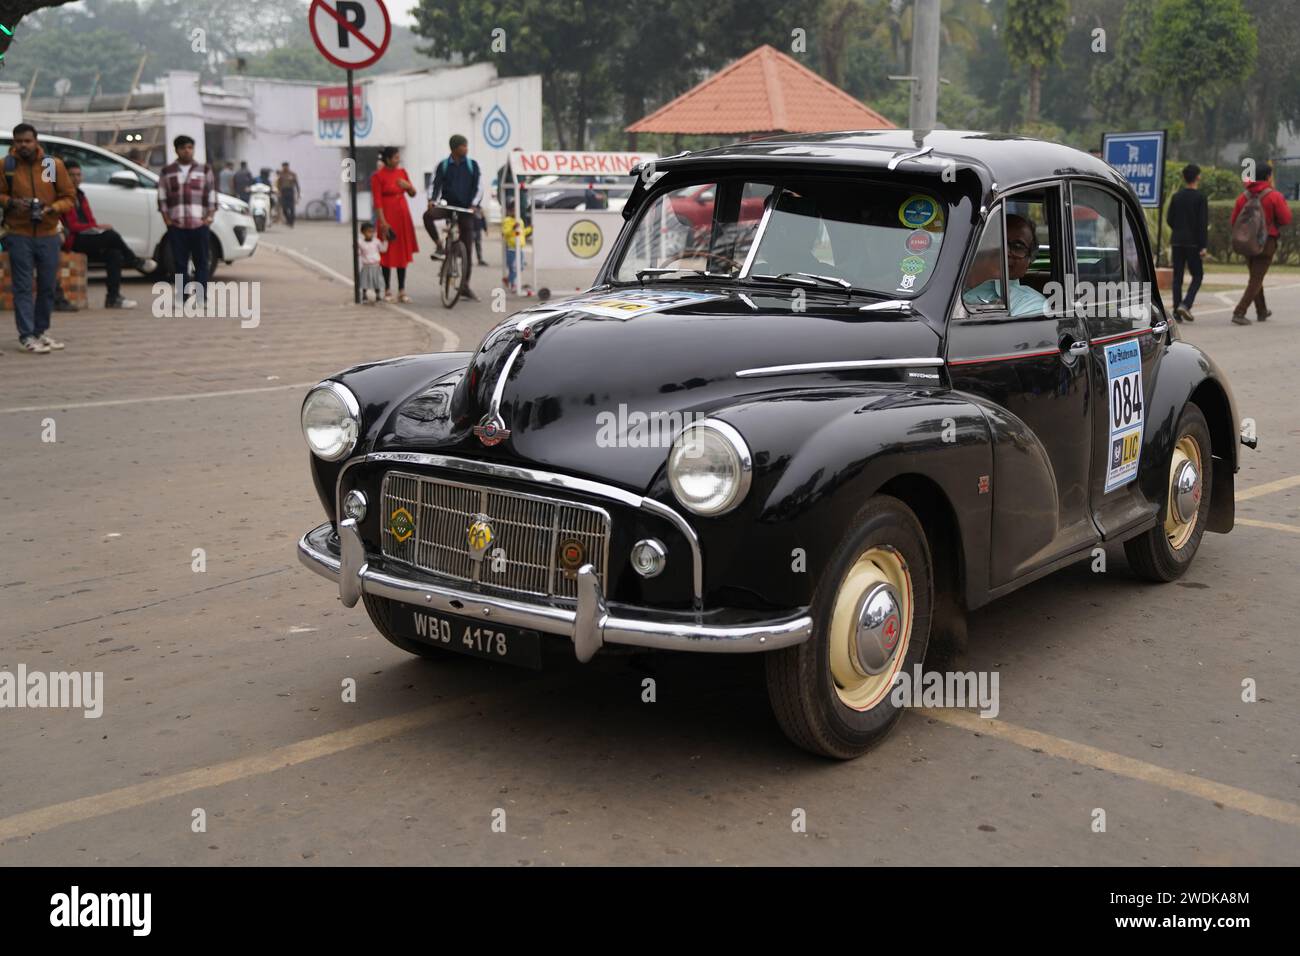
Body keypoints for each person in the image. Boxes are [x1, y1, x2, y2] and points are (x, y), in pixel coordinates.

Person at [1, 123, 76, 353]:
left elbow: (68, 196)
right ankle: (27, 335)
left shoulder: (51, 165)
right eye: (18, 141)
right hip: (18, 233)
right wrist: (11, 202)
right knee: (23, 287)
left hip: (48, 233)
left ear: (36, 141)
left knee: (47, 286)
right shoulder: (7, 166)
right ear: (14, 143)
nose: (23, 145)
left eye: (27, 141)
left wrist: (52, 209)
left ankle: (41, 331)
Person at [60, 158, 156, 309]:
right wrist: (95, 227)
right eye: (71, 175)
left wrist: (96, 227)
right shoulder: (64, 197)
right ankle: (135, 261)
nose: (76, 179)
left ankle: (113, 298)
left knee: (114, 253)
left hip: (86, 236)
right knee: (110, 235)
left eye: (78, 175)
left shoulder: (80, 195)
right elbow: (72, 226)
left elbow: (90, 220)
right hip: (72, 240)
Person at [1230, 162, 1292, 325]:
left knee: (1255, 276)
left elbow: (1234, 220)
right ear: (1268, 176)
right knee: (1256, 278)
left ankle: (1262, 311)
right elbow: (1285, 218)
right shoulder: (1273, 196)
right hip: (1267, 242)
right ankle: (1239, 311)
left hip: (1247, 242)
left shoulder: (1243, 196)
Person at [157, 134, 217, 300]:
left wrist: (208, 219)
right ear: (176, 150)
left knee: (202, 262)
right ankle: (182, 297)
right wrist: (168, 221)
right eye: (183, 148)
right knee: (179, 263)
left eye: (190, 147)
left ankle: (201, 297)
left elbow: (211, 196)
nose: (187, 151)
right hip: (177, 226)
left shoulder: (204, 170)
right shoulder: (167, 172)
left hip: (199, 225)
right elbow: (162, 198)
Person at [425, 133, 481, 301]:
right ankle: (439, 245)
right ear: (455, 148)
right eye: (463, 146)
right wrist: (431, 201)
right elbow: (435, 185)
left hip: (466, 210)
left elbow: (479, 187)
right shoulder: (443, 166)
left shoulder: (472, 166)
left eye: (466, 145)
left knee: (467, 250)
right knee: (427, 216)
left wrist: (474, 204)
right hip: (448, 207)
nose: (466, 148)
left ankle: (464, 286)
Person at [962, 214, 1047, 317]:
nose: (1005, 251)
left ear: (1028, 261)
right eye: (998, 240)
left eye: (1017, 246)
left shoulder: (1032, 304)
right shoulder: (947, 279)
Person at [369, 146, 418, 303]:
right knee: (387, 255)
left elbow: (413, 193)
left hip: (402, 217)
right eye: (395, 158)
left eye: (398, 157)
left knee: (402, 254)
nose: (398, 160)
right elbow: (377, 202)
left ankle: (402, 290)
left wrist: (408, 186)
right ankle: (387, 289)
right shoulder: (378, 176)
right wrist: (383, 222)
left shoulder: (402, 173)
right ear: (388, 159)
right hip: (388, 219)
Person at [1167, 163, 1208, 322]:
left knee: (1177, 277)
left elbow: (1170, 219)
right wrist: (1203, 245)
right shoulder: (1200, 198)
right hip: (1193, 243)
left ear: (1184, 178)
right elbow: (1202, 224)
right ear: (1197, 177)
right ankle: (1186, 304)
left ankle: (1177, 311)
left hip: (1177, 241)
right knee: (1197, 275)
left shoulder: (1176, 197)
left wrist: (1178, 230)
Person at [500, 200, 531, 288]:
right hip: (511, 248)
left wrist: (530, 229)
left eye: (516, 210)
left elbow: (522, 232)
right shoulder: (507, 220)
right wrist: (513, 228)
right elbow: (505, 233)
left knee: (520, 267)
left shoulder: (520, 221)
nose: (515, 212)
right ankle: (512, 283)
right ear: (509, 211)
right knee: (513, 268)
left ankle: (509, 280)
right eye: (513, 210)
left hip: (520, 248)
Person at [357, 221, 387, 304]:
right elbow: (358, 253)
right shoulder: (360, 242)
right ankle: (364, 295)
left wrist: (385, 241)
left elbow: (383, 249)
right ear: (363, 232)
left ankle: (378, 295)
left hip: (376, 265)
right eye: (368, 232)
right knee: (365, 281)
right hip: (366, 265)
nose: (371, 234)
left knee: (377, 281)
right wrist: (356, 247)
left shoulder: (376, 241)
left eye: (372, 232)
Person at [276, 162, 299, 228]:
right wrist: (279, 192)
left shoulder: (292, 174)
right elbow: (278, 183)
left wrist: (298, 193)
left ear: (288, 166)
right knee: (284, 208)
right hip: (283, 191)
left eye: (286, 166)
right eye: (284, 166)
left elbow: (296, 184)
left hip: (290, 191)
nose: (285, 168)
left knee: (292, 208)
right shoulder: (280, 174)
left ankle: (291, 222)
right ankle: (288, 219)